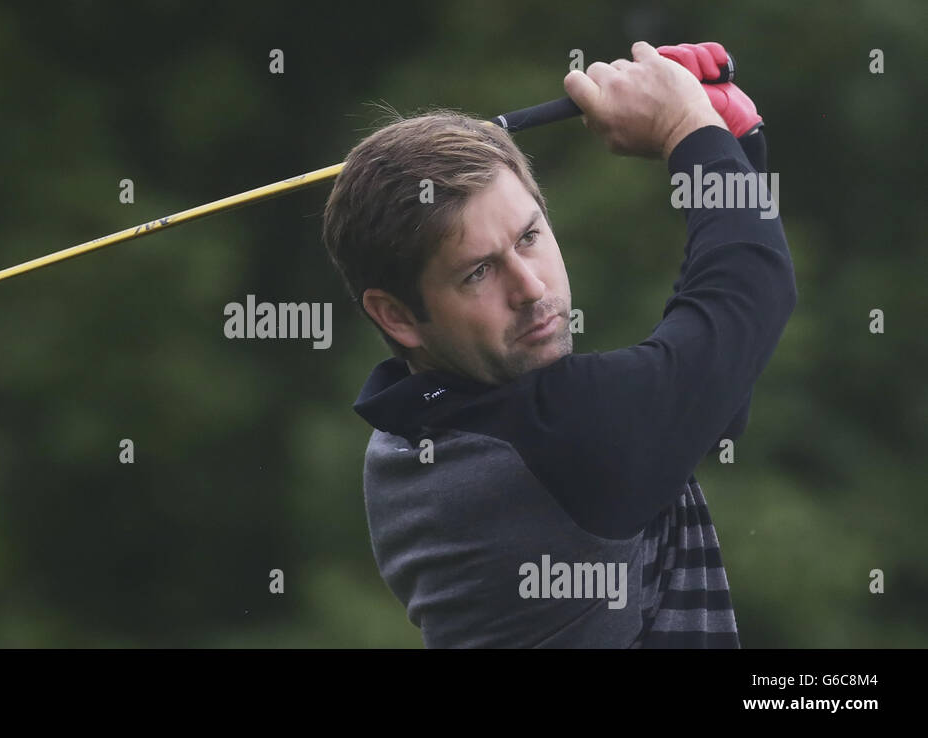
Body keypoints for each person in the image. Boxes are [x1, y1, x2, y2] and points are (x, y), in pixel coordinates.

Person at [321, 41, 795, 647]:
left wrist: (730, 143)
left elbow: (721, 381)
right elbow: (751, 295)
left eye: (528, 238)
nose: (531, 286)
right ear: (397, 316)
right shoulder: (546, 443)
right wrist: (686, 127)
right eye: (478, 272)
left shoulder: (416, 435)